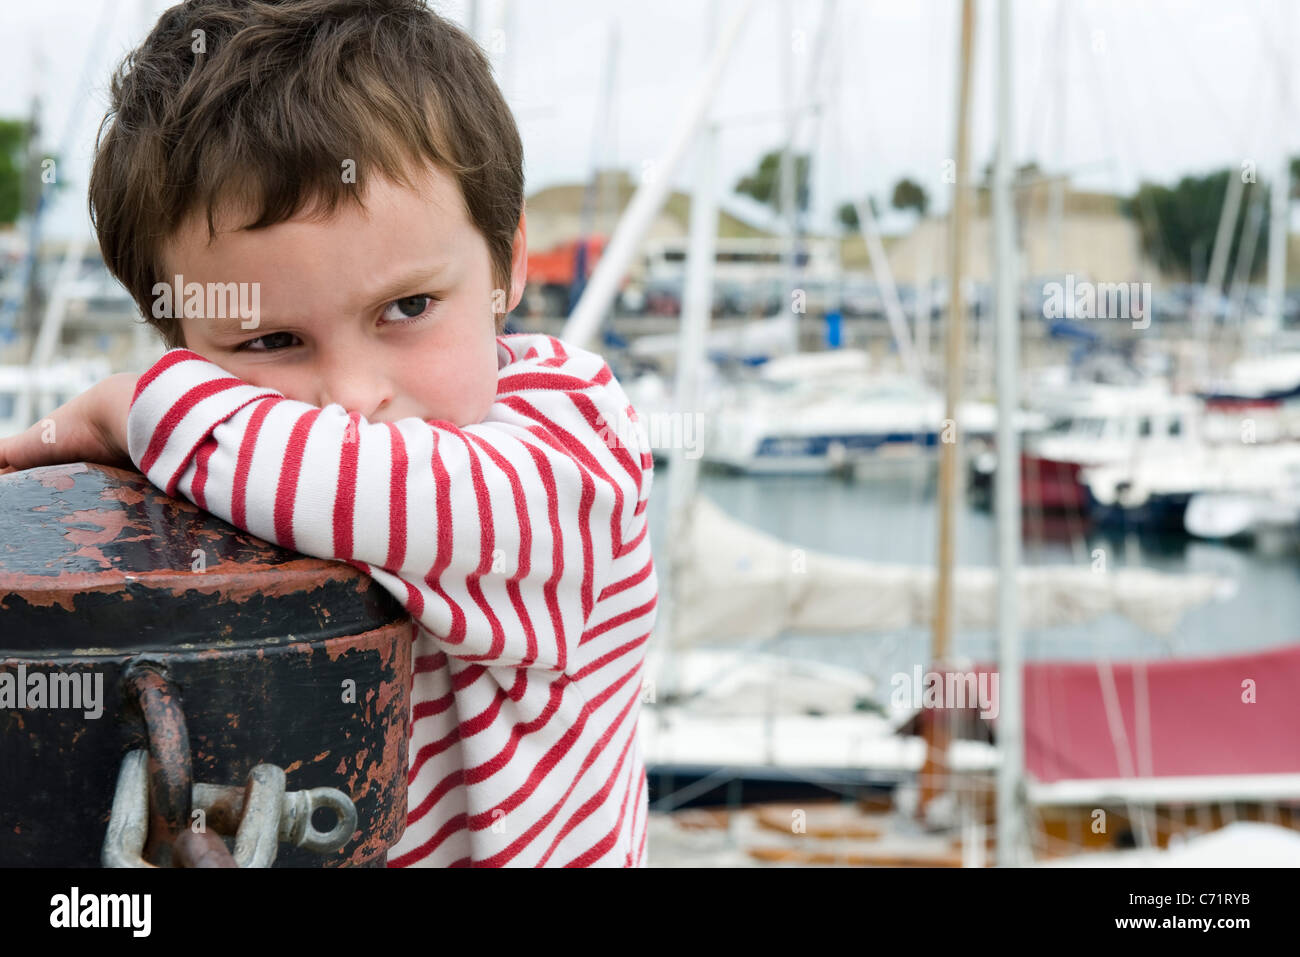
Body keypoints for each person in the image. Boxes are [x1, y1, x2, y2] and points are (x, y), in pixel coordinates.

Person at [0, 0, 658, 868]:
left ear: (506, 263)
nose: (350, 400)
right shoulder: (246, 463)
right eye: (272, 341)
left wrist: (134, 408)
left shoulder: (577, 439)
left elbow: (385, 489)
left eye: (408, 308)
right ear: (184, 342)